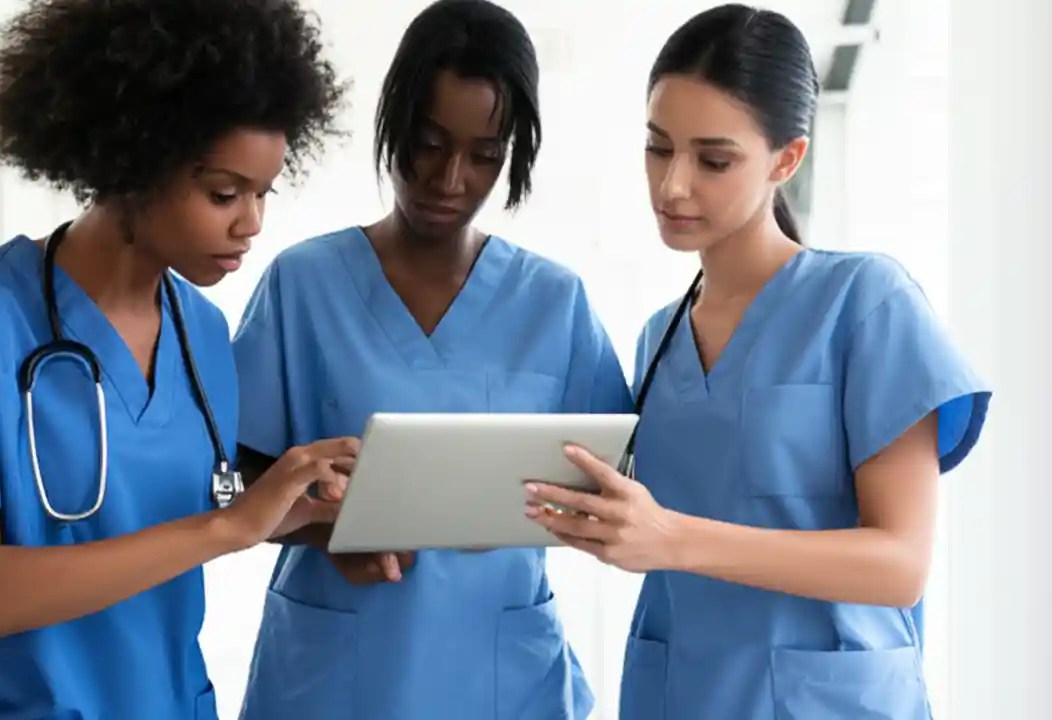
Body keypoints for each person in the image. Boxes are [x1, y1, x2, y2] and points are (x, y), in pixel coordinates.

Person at [0, 1, 354, 718]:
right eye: (223, 193)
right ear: (134, 161)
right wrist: (228, 528)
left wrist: (287, 512)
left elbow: (162, 520)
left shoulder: (203, 336)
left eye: (263, 193)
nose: (252, 223)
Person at [524, 5, 991, 719]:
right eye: (658, 148)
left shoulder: (866, 303)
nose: (673, 186)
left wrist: (674, 540)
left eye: (713, 160)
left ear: (787, 158)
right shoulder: (660, 340)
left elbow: (900, 565)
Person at [230, 1, 631, 717]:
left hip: (501, 671)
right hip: (339, 671)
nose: (451, 180)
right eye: (428, 143)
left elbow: (618, 484)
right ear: (393, 125)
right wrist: (325, 532)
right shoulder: (304, 285)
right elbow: (227, 483)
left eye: (484, 156)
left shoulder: (554, 301)